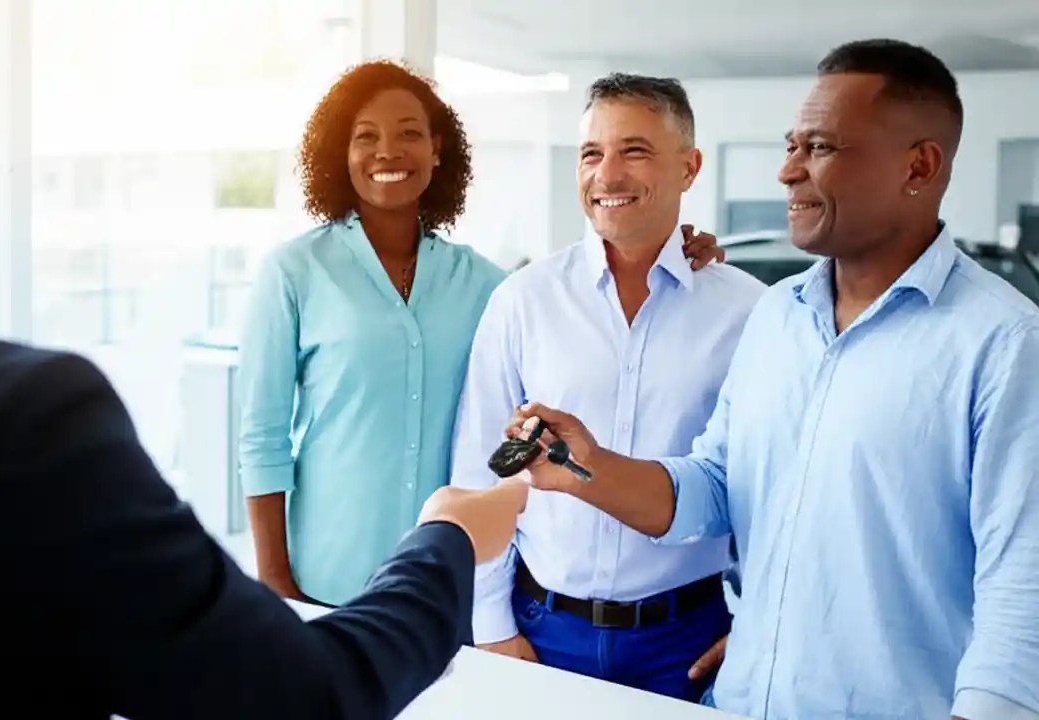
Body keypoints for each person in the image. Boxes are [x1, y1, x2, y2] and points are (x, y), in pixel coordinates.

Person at [0, 2, 531, 718]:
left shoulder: (487, 285)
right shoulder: (18, 425)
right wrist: (448, 536)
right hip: (348, 586)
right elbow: (300, 695)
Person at [510, 40, 1039, 720]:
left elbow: (1022, 594)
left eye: (820, 147)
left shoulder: (1004, 344)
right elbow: (718, 488)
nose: (788, 171)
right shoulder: (778, 315)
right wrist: (592, 468)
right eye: (792, 146)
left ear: (919, 165)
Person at [237, 60, 727, 607]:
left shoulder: (487, 285)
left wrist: (672, 251)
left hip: (446, 584)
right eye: (365, 137)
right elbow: (263, 439)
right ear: (339, 151)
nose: (388, 152)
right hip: (328, 578)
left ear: (437, 149)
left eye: (409, 134)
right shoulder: (294, 272)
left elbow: (574, 303)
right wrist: (275, 581)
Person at [449, 73, 765, 702]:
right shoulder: (523, 301)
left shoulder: (749, 311)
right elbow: (479, 468)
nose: (607, 174)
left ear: (690, 167)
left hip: (688, 643)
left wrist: (758, 620)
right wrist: (491, 626)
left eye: (635, 151)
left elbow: (769, 488)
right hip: (541, 633)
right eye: (591, 153)